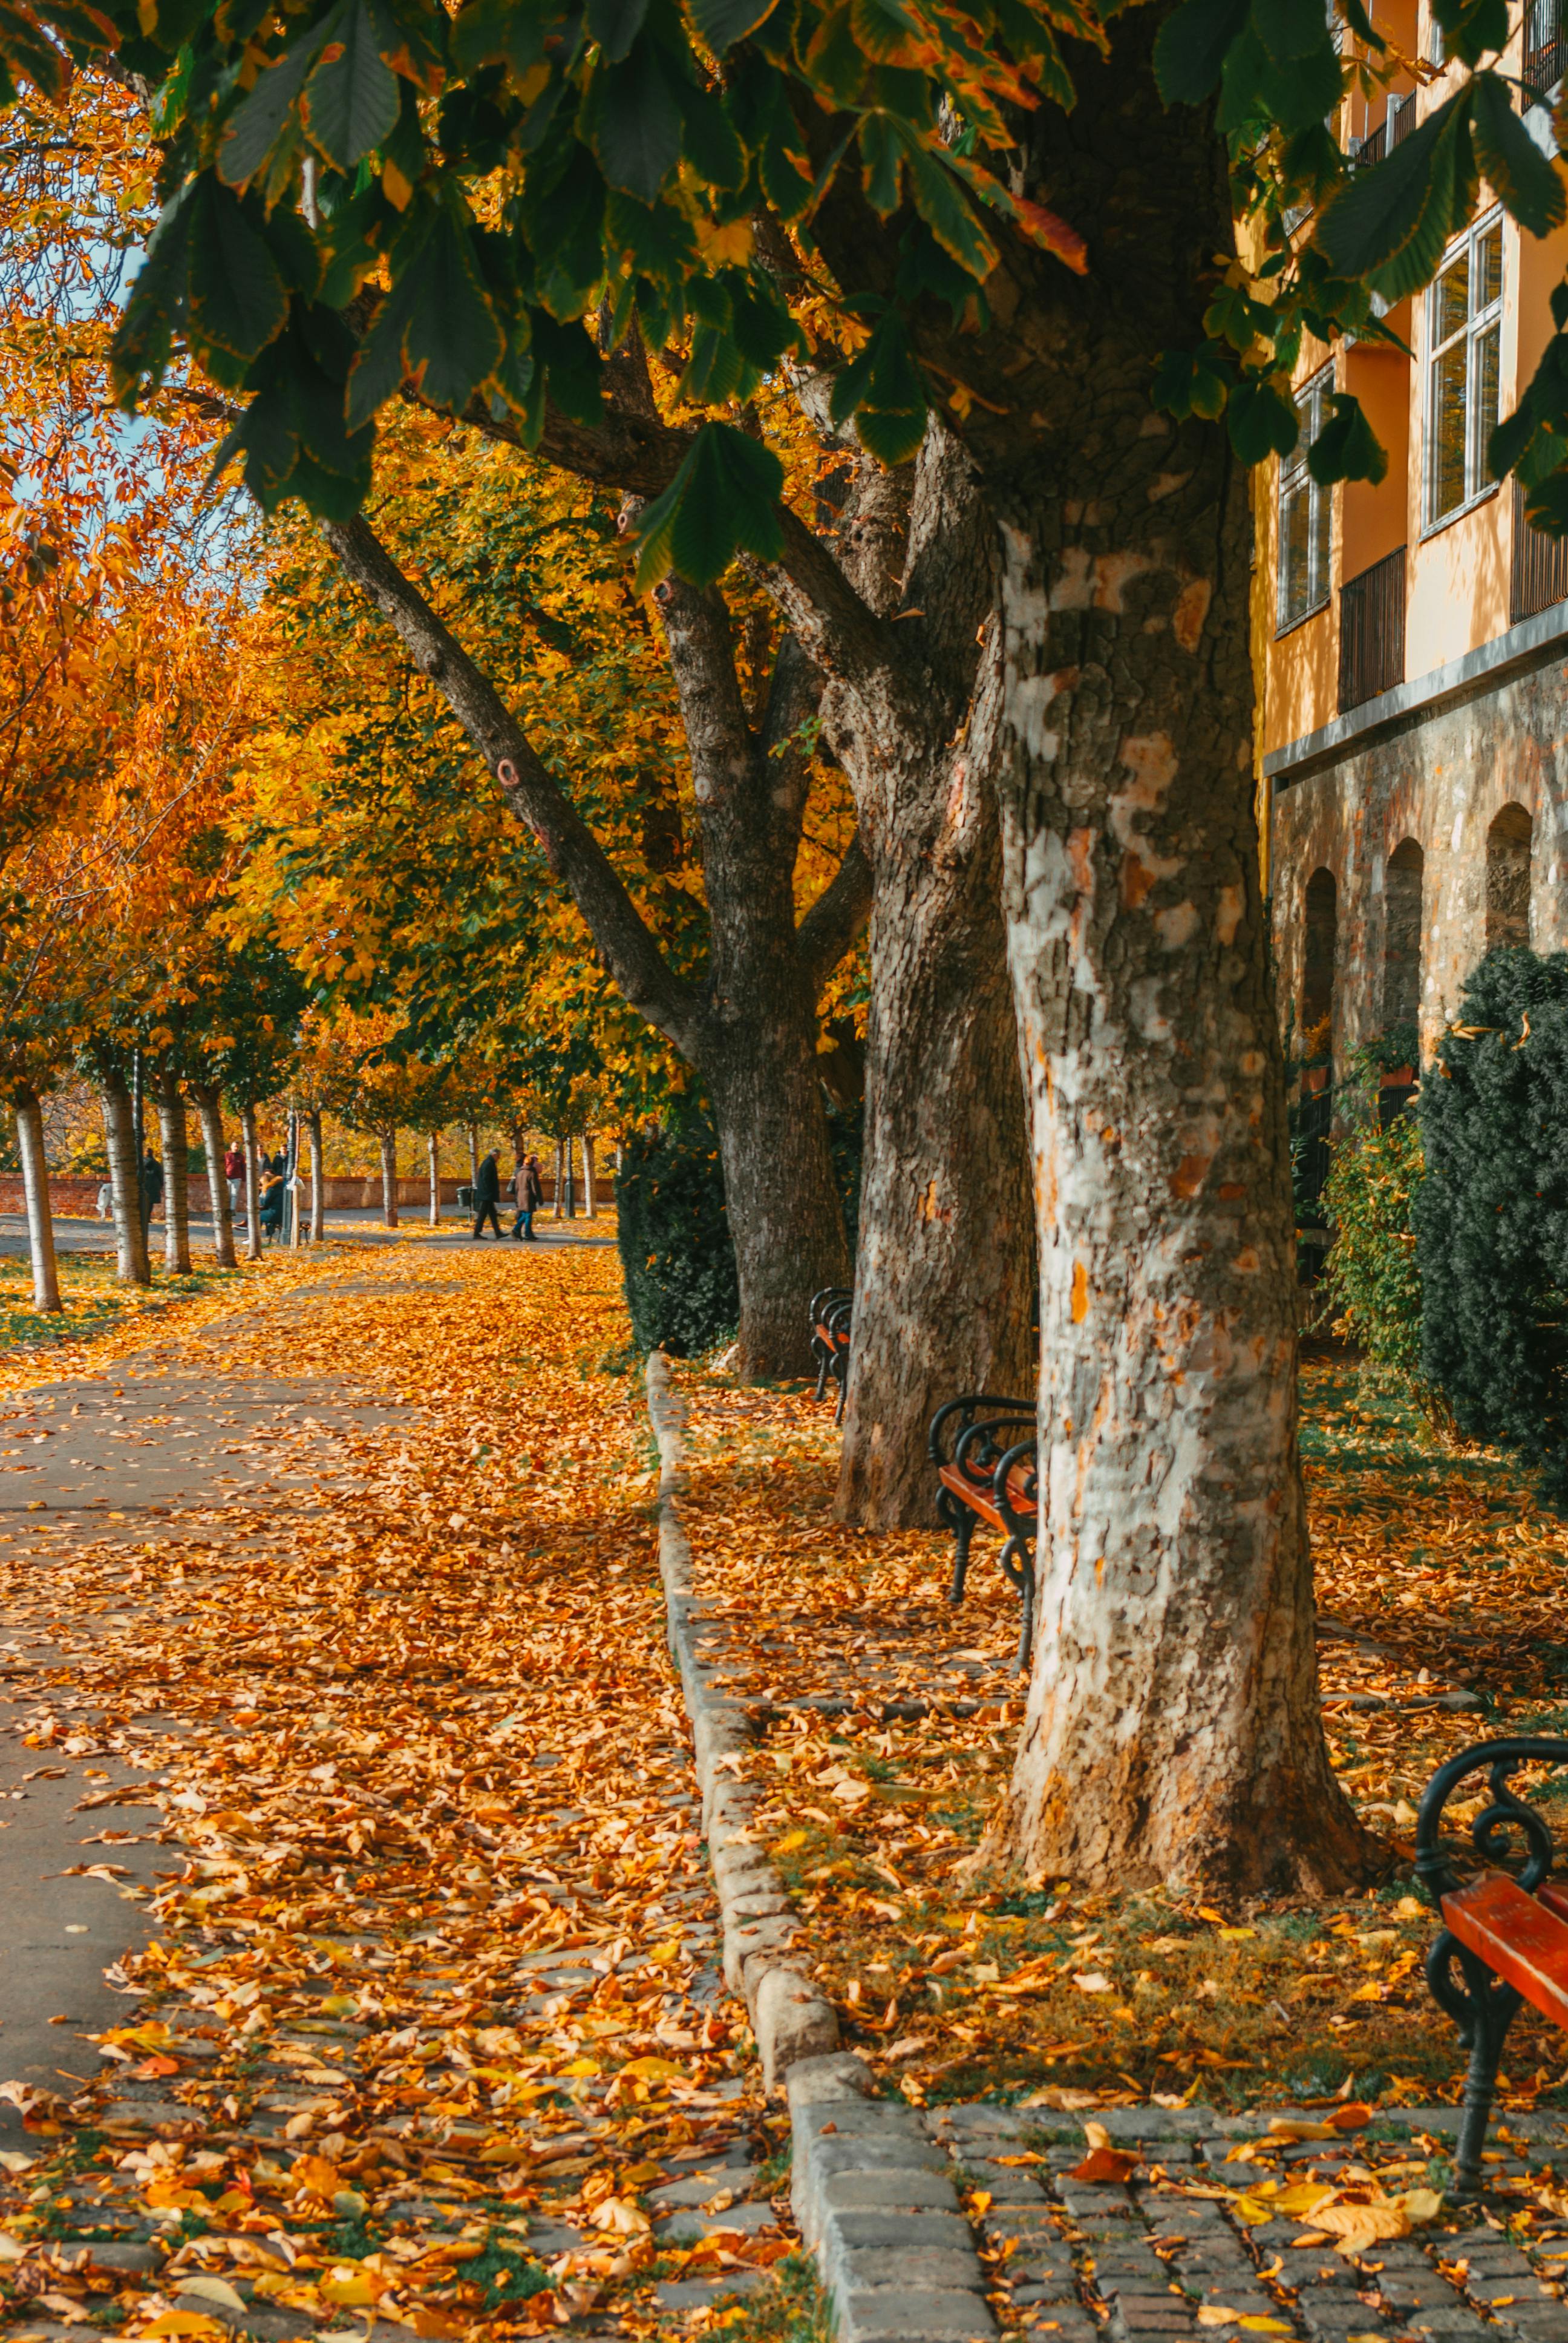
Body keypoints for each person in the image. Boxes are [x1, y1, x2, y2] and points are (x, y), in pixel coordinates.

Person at [511, 1152, 544, 1242]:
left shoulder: (520, 1173)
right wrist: (539, 1198)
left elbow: (516, 1187)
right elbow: (535, 1188)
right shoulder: (532, 1174)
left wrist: (517, 1198)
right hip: (529, 1197)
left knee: (525, 1215)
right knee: (528, 1215)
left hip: (520, 1197)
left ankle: (524, 1232)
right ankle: (519, 1231)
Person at [472, 1149, 503, 1239]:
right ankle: (477, 1233)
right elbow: (486, 1179)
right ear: (494, 1154)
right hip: (487, 1194)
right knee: (483, 1214)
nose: (499, 1158)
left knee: (492, 1213)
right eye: (499, 1156)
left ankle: (498, 1232)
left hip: (487, 1194)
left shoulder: (489, 1163)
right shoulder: (488, 1164)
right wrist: (490, 1191)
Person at [137, 1148, 163, 1246]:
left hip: (144, 1184)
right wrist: (161, 1185)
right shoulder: (156, 1164)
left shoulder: (141, 1163)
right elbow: (160, 1175)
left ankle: (142, 1216)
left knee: (142, 1201)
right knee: (151, 1202)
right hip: (154, 1185)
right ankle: (147, 1217)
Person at [258, 1160, 286, 1240]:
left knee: (255, 1215)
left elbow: (265, 1203)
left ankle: (254, 1237)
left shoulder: (271, 1190)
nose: (262, 1185)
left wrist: (263, 1194)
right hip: (282, 1214)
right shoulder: (280, 1187)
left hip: (275, 1214)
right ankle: (269, 1231)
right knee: (260, 1213)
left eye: (262, 1183)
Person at [224, 1141, 245, 1216]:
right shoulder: (226, 1155)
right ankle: (226, 1209)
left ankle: (232, 1209)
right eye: (235, 1146)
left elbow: (243, 1168)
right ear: (231, 1146)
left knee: (234, 1194)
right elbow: (223, 1166)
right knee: (228, 1194)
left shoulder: (241, 1156)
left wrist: (243, 1179)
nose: (236, 1148)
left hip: (237, 1178)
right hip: (228, 1178)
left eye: (237, 1147)